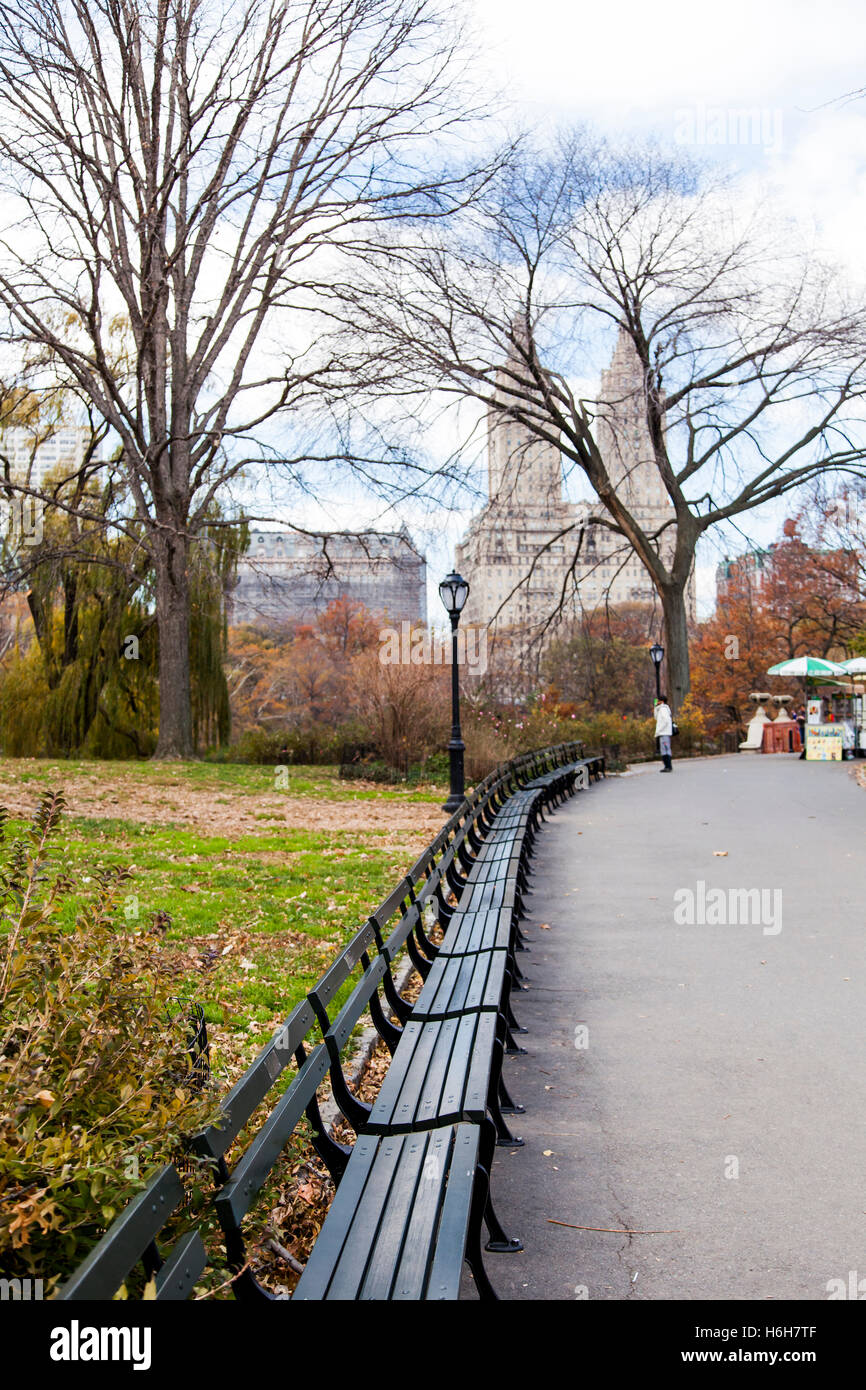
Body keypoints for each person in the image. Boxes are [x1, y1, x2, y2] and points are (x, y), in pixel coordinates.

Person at [654, 694, 673, 772]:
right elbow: (655, 717)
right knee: (664, 749)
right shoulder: (660, 709)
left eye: (658, 700)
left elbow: (666, 720)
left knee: (665, 749)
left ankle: (668, 766)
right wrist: (655, 707)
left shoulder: (663, 709)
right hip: (663, 732)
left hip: (664, 732)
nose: (657, 702)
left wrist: (659, 730)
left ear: (661, 701)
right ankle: (667, 766)